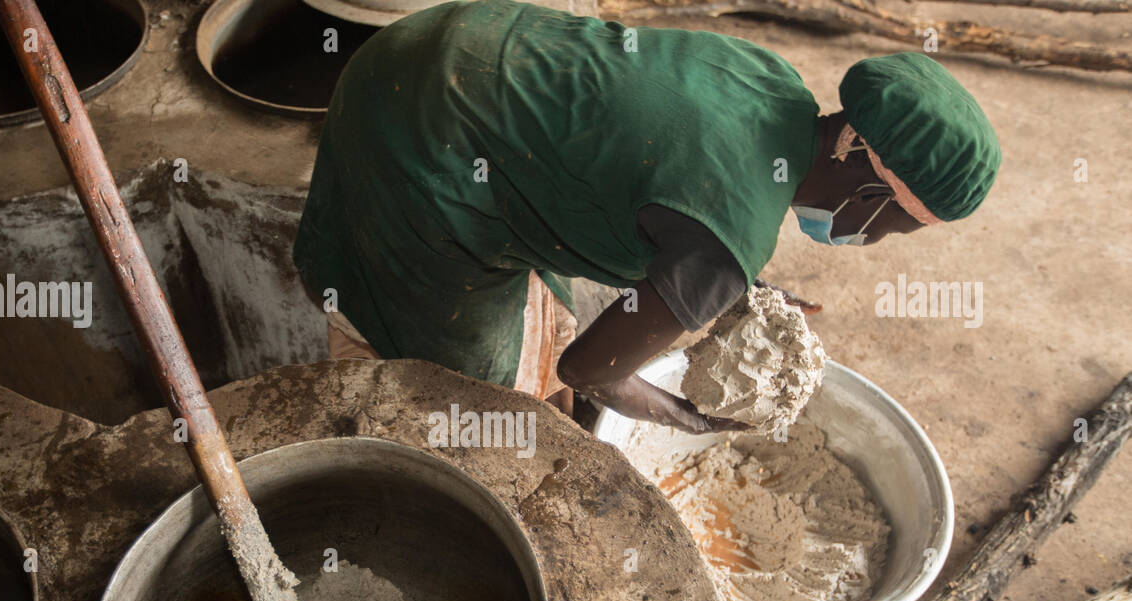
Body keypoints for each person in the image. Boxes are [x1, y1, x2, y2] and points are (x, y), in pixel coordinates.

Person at [294, 0, 1000, 431]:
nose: (873, 242)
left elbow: (681, 179)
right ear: (867, 179)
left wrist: (723, 284)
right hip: (422, 134)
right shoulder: (724, 249)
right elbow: (586, 370)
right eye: (894, 226)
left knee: (541, 291)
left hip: (448, 39)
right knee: (468, 397)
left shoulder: (775, 83)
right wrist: (677, 415)